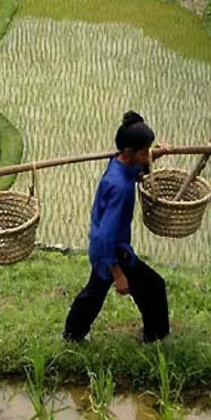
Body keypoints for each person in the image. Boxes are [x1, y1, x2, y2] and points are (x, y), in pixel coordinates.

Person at [62, 111, 170, 344]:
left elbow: (136, 170)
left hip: (105, 248)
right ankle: (156, 337)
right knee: (154, 287)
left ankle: (73, 333)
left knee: (95, 293)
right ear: (130, 152)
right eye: (145, 151)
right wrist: (118, 274)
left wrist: (154, 156)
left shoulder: (118, 163)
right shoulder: (120, 187)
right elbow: (106, 235)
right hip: (112, 250)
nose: (147, 155)